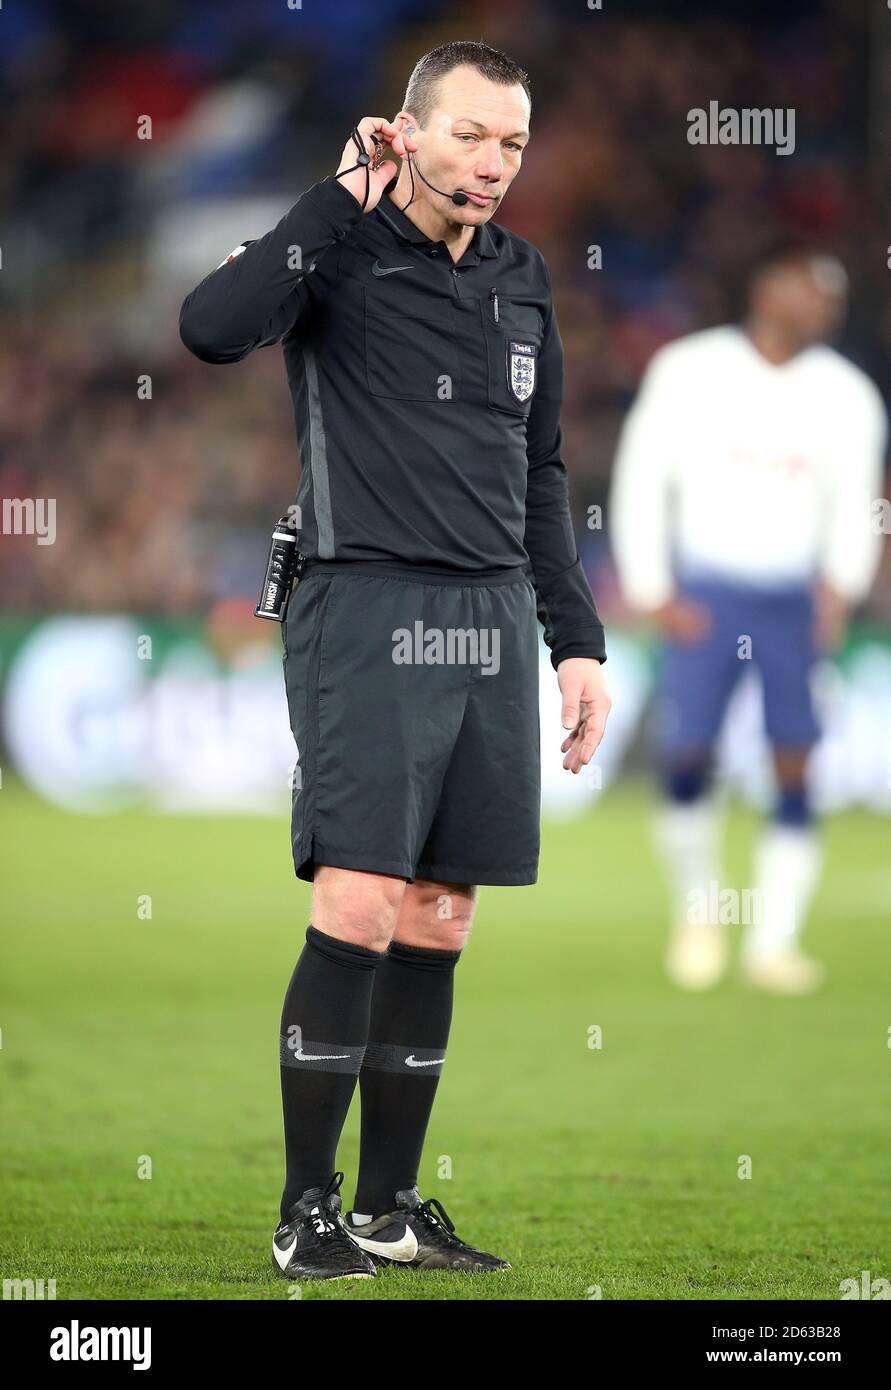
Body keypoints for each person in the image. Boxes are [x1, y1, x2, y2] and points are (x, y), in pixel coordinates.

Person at [180, 40, 610, 1281]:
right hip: (360, 600)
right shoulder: (337, 247)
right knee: (359, 899)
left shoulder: (526, 280)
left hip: (489, 622)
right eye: (468, 134)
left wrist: (573, 642)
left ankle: (389, 1203)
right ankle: (303, 1208)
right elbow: (208, 329)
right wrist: (334, 198)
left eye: (512, 143)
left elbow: (542, 478)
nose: (492, 163)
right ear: (408, 132)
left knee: (441, 913)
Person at [610, 241, 886, 996]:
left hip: (791, 600)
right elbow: (642, 476)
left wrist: (840, 587)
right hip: (708, 592)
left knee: (794, 760)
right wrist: (652, 586)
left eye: (832, 294)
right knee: (687, 754)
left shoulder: (846, 393)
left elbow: (858, 501)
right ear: (766, 287)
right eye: (809, 287)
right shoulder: (690, 370)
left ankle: (774, 940)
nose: (822, 305)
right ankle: (697, 914)